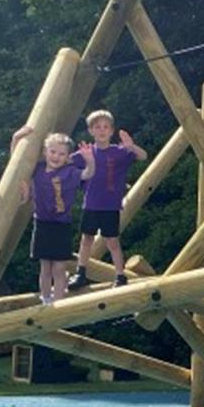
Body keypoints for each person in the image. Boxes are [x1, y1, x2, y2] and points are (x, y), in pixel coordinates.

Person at [66, 111, 148, 291]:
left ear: (111, 131)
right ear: (91, 131)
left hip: (110, 206)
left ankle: (120, 275)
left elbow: (143, 156)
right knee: (86, 239)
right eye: (97, 127)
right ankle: (81, 273)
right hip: (91, 204)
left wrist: (131, 146)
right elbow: (64, 163)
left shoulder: (119, 152)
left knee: (112, 241)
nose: (102, 130)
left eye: (105, 127)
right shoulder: (86, 152)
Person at [17, 127, 96, 305]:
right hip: (42, 223)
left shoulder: (69, 172)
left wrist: (90, 160)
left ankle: (59, 302)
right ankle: (46, 299)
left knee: (59, 267)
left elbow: (88, 174)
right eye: (52, 152)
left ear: (67, 157)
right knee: (45, 266)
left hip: (61, 224)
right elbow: (18, 161)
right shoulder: (37, 169)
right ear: (45, 152)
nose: (56, 156)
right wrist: (17, 137)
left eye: (61, 154)